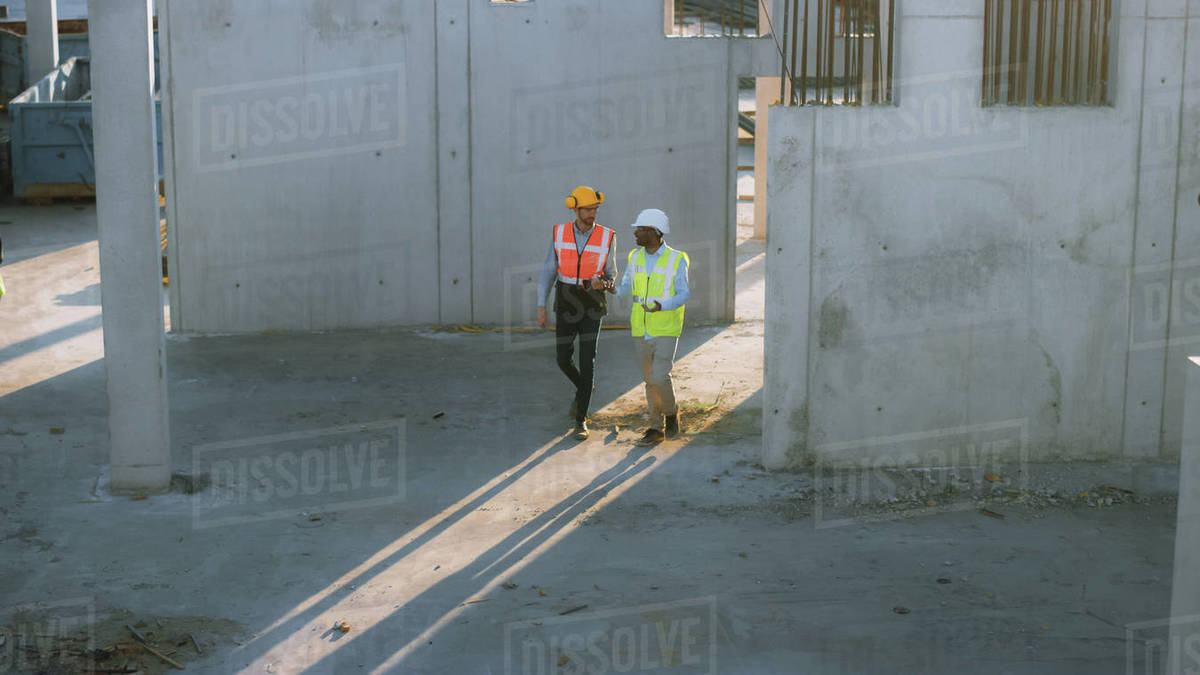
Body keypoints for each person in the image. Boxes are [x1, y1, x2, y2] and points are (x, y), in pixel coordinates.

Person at [599, 208, 689, 447]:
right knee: (650, 380)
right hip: (640, 326)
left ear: (654, 232)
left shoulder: (677, 259)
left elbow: (684, 294)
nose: (635, 233)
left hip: (667, 326)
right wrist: (612, 289)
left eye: (640, 229)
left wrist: (663, 306)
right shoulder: (634, 257)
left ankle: (671, 413)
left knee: (660, 376)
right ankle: (655, 427)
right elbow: (626, 287)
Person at [537, 186, 617, 441]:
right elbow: (549, 270)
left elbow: (611, 273)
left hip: (593, 302)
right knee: (562, 358)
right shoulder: (559, 233)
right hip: (566, 298)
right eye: (588, 209)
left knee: (587, 360)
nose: (593, 213)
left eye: (595, 209)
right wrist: (541, 305)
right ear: (575, 208)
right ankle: (584, 386)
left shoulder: (607, 236)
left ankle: (581, 419)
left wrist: (603, 282)